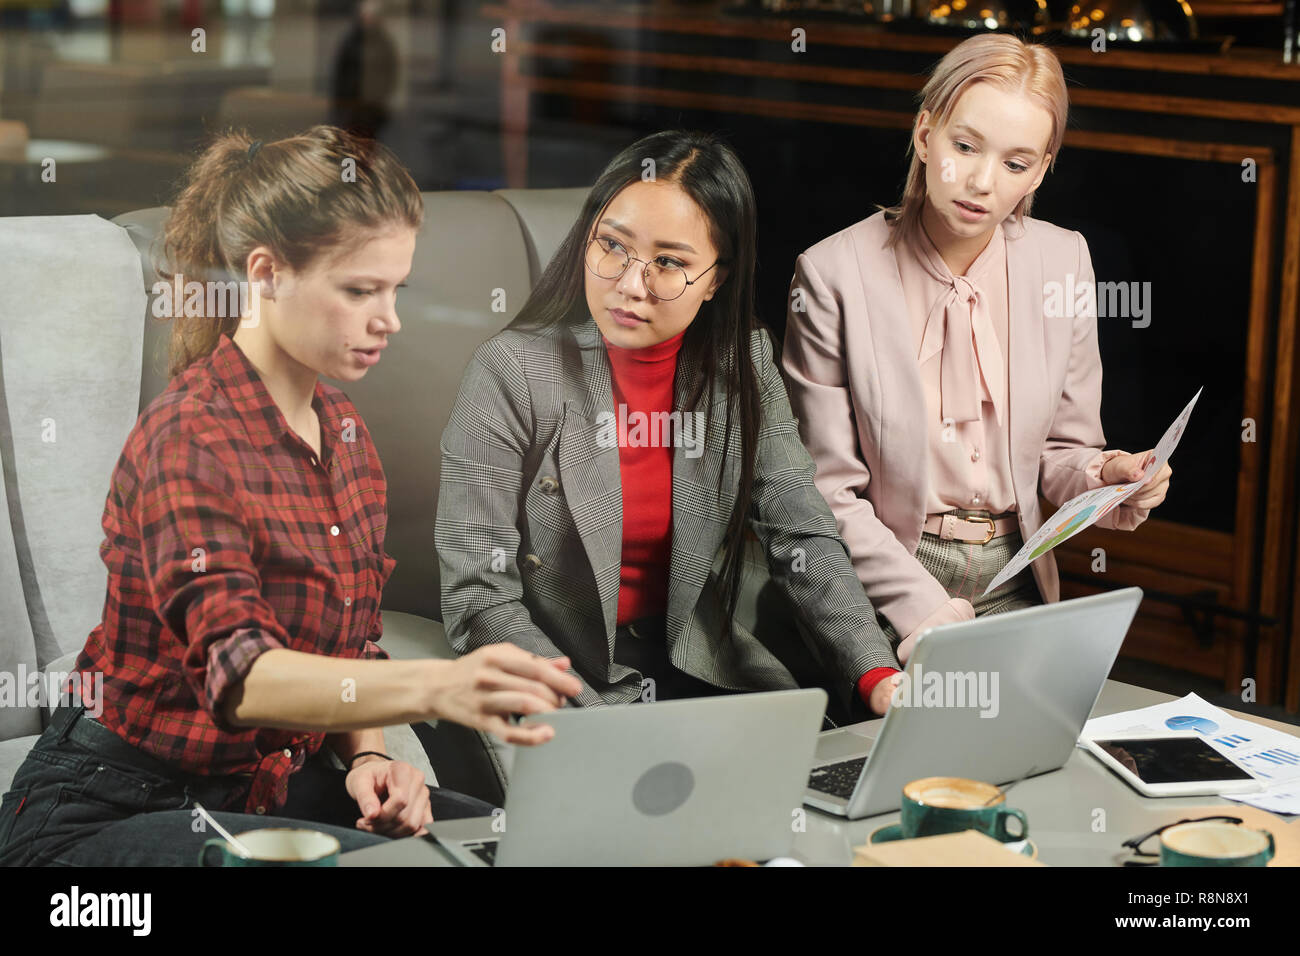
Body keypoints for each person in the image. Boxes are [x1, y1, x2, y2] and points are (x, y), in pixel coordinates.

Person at [0, 126, 579, 867]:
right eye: (359, 290)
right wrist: (438, 686)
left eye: (396, 288)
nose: (388, 319)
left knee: (518, 843)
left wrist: (369, 758)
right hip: (102, 815)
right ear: (267, 273)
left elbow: (350, 645)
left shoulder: (342, 434)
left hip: (250, 797)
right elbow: (242, 679)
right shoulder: (189, 439)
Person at [436, 130, 903, 725]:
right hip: (556, 676)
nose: (631, 285)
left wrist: (878, 675)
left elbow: (802, 536)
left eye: (670, 263)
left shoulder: (744, 364)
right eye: (612, 246)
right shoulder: (510, 372)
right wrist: (588, 713)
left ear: (716, 279)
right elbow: (480, 594)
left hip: (694, 666)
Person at [781, 35, 1173, 668]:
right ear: (925, 133)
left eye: (1016, 164)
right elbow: (826, 492)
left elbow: (1063, 454)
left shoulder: (1062, 260)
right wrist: (925, 612)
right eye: (964, 147)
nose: (981, 182)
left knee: (1034, 760)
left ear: (1043, 168)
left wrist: (1108, 479)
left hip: (1015, 579)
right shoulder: (831, 274)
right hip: (882, 586)